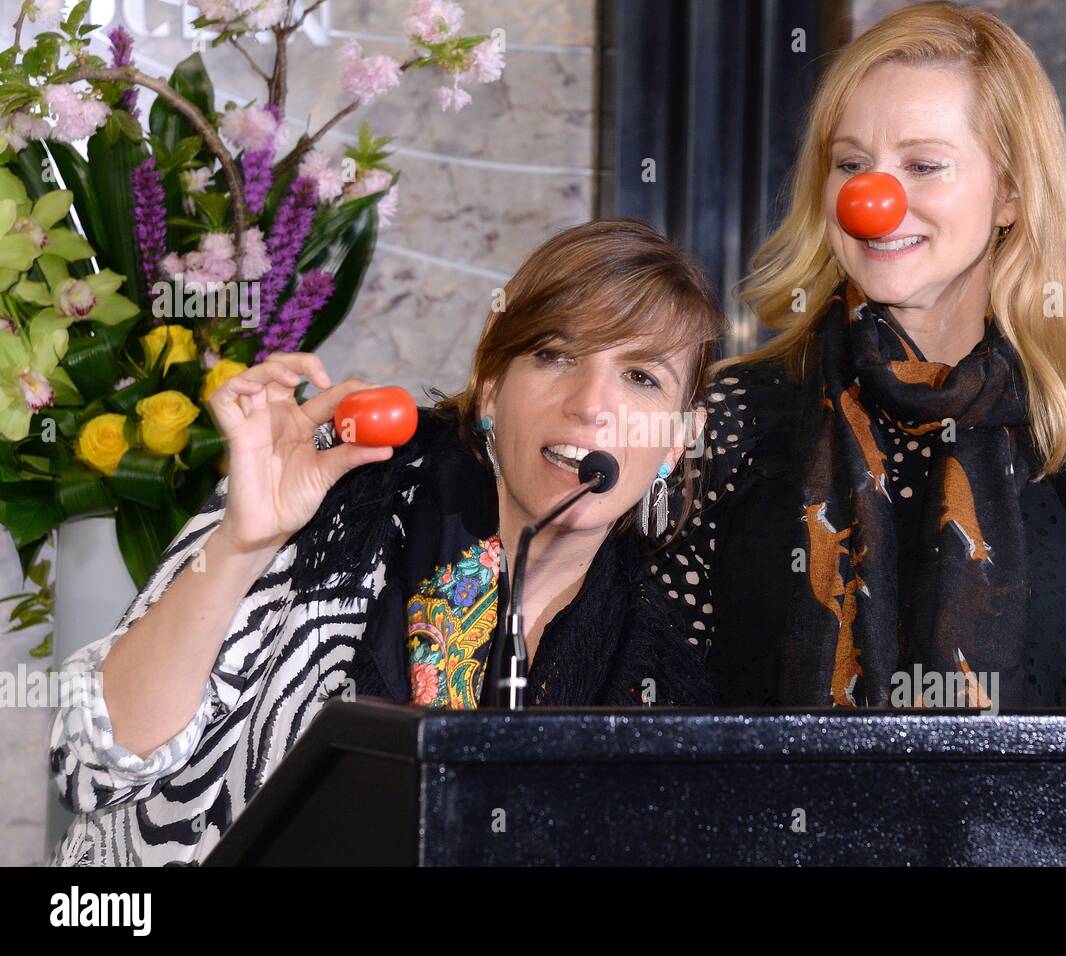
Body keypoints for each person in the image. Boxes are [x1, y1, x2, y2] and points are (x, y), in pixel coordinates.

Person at [48, 218, 725, 866]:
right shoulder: (335, 490)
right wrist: (241, 545)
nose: (590, 403)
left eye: (641, 377)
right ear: (491, 388)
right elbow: (94, 761)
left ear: (678, 440)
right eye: (555, 354)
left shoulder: (656, 669)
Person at [653, 2, 1066, 709]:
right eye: (852, 164)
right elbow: (659, 718)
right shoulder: (723, 426)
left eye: (924, 165)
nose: (872, 199)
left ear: (1010, 192)